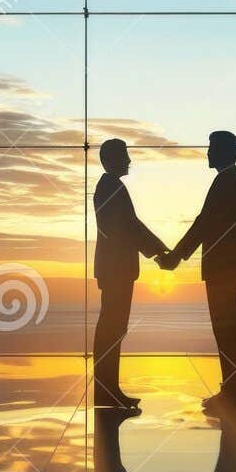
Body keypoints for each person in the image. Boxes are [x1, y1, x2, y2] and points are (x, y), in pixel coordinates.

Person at [157, 130, 236, 413]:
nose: (207, 153)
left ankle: (235, 393)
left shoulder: (227, 184)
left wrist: (175, 256)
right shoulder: (229, 182)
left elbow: (204, 224)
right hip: (226, 269)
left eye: (211, 148)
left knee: (228, 331)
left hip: (223, 270)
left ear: (224, 151)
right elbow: (207, 224)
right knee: (230, 331)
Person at [92, 138, 169, 409]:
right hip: (116, 270)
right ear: (110, 159)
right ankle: (106, 391)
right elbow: (130, 228)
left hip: (115, 269)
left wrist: (159, 251)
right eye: (124, 155)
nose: (129, 160)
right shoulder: (111, 187)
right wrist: (160, 252)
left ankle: (108, 389)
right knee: (111, 329)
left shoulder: (110, 187)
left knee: (113, 329)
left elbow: (129, 227)